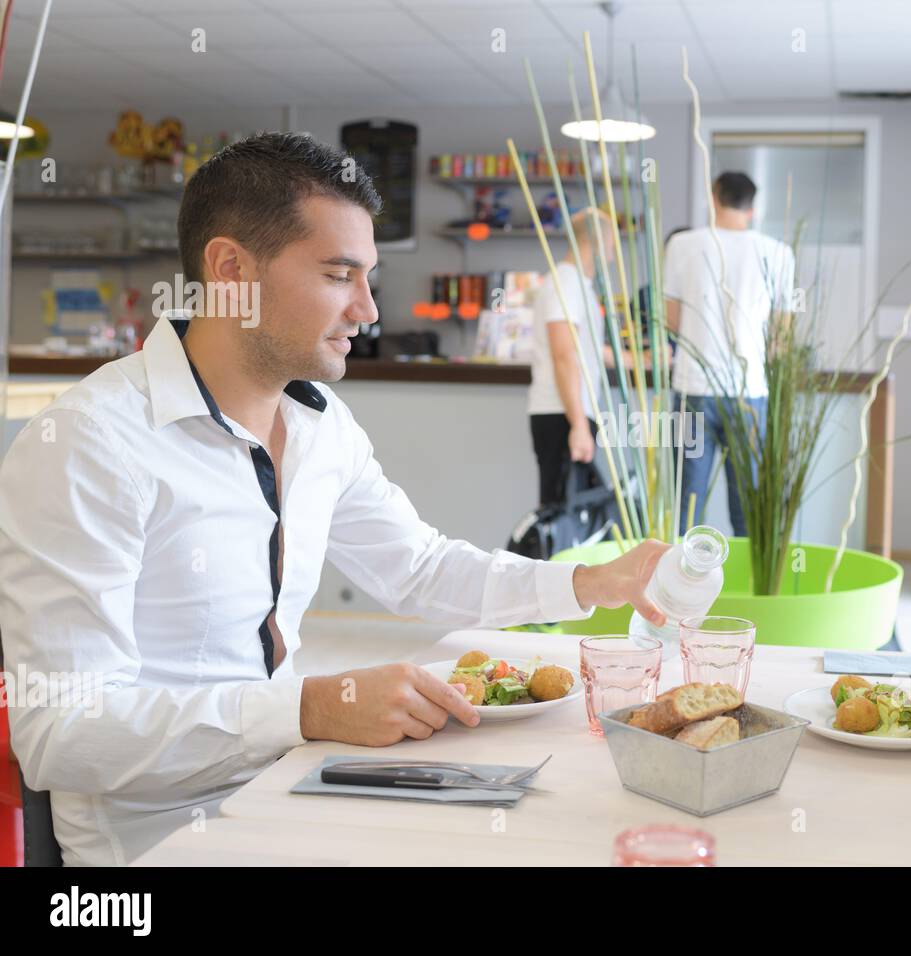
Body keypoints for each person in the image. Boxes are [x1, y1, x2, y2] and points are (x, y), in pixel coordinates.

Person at [0, 132, 669, 866]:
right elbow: (59, 731)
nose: (368, 309)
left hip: (292, 787)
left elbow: (418, 568)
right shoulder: (89, 444)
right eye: (338, 274)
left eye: (367, 277)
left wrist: (590, 583)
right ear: (230, 270)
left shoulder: (319, 424)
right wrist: (311, 706)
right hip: (159, 846)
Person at [662, 172, 794, 535]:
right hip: (749, 393)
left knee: (688, 506)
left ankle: (682, 591)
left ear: (714, 198)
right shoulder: (780, 253)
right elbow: (781, 337)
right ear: (753, 208)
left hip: (693, 389)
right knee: (749, 511)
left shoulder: (682, 245)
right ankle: (747, 588)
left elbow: (671, 323)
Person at [527, 207, 615, 506]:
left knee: (574, 512)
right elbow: (563, 355)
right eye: (612, 247)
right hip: (562, 414)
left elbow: (583, 348)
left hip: (569, 412)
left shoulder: (578, 285)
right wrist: (578, 424)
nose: (613, 257)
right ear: (598, 243)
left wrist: (641, 359)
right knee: (561, 515)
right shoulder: (566, 283)